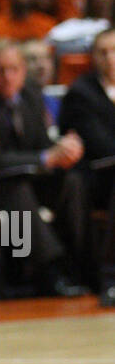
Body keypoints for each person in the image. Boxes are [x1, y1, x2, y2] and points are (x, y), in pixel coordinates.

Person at [0, 39, 91, 297]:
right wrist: (47, 157)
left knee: (72, 182)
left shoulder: (32, 96)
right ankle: (51, 271)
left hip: (20, 178)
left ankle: (81, 265)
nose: (7, 77)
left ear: (23, 71)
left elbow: (42, 146)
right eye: (0, 70)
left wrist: (64, 152)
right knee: (18, 191)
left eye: (14, 69)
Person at [58, 26, 115, 306]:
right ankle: (110, 279)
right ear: (93, 58)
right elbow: (100, 145)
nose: (110, 58)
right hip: (95, 178)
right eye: (103, 52)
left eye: (114, 51)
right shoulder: (81, 92)